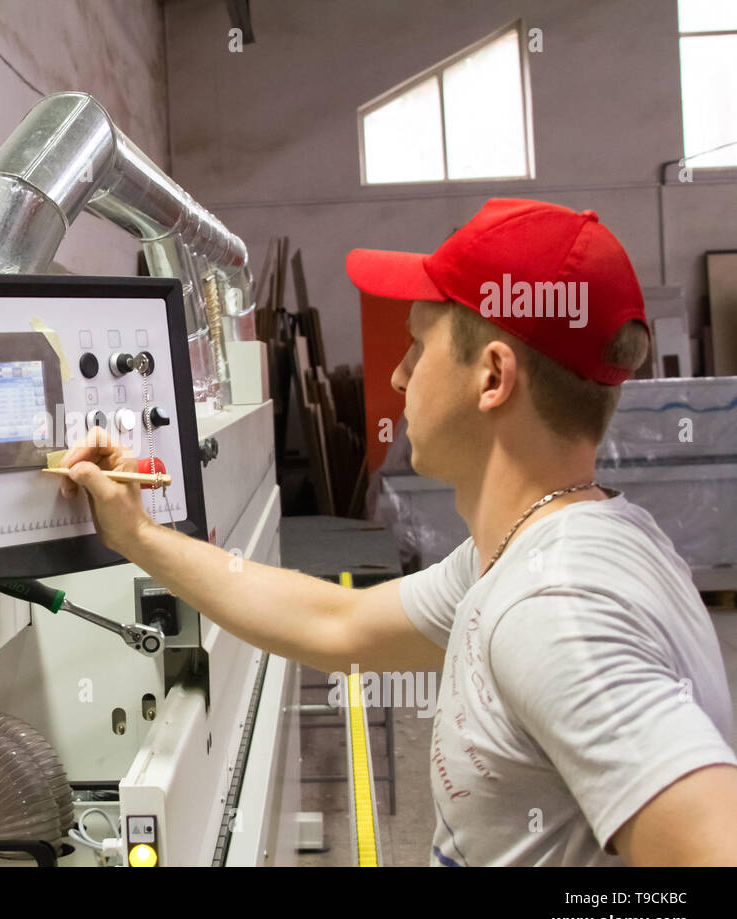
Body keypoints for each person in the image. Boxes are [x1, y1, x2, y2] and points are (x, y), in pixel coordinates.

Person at [58, 198, 737, 866]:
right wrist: (139, 537)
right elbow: (339, 623)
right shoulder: (535, 550)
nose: (398, 374)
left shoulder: (556, 609)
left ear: (493, 377)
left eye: (418, 346)